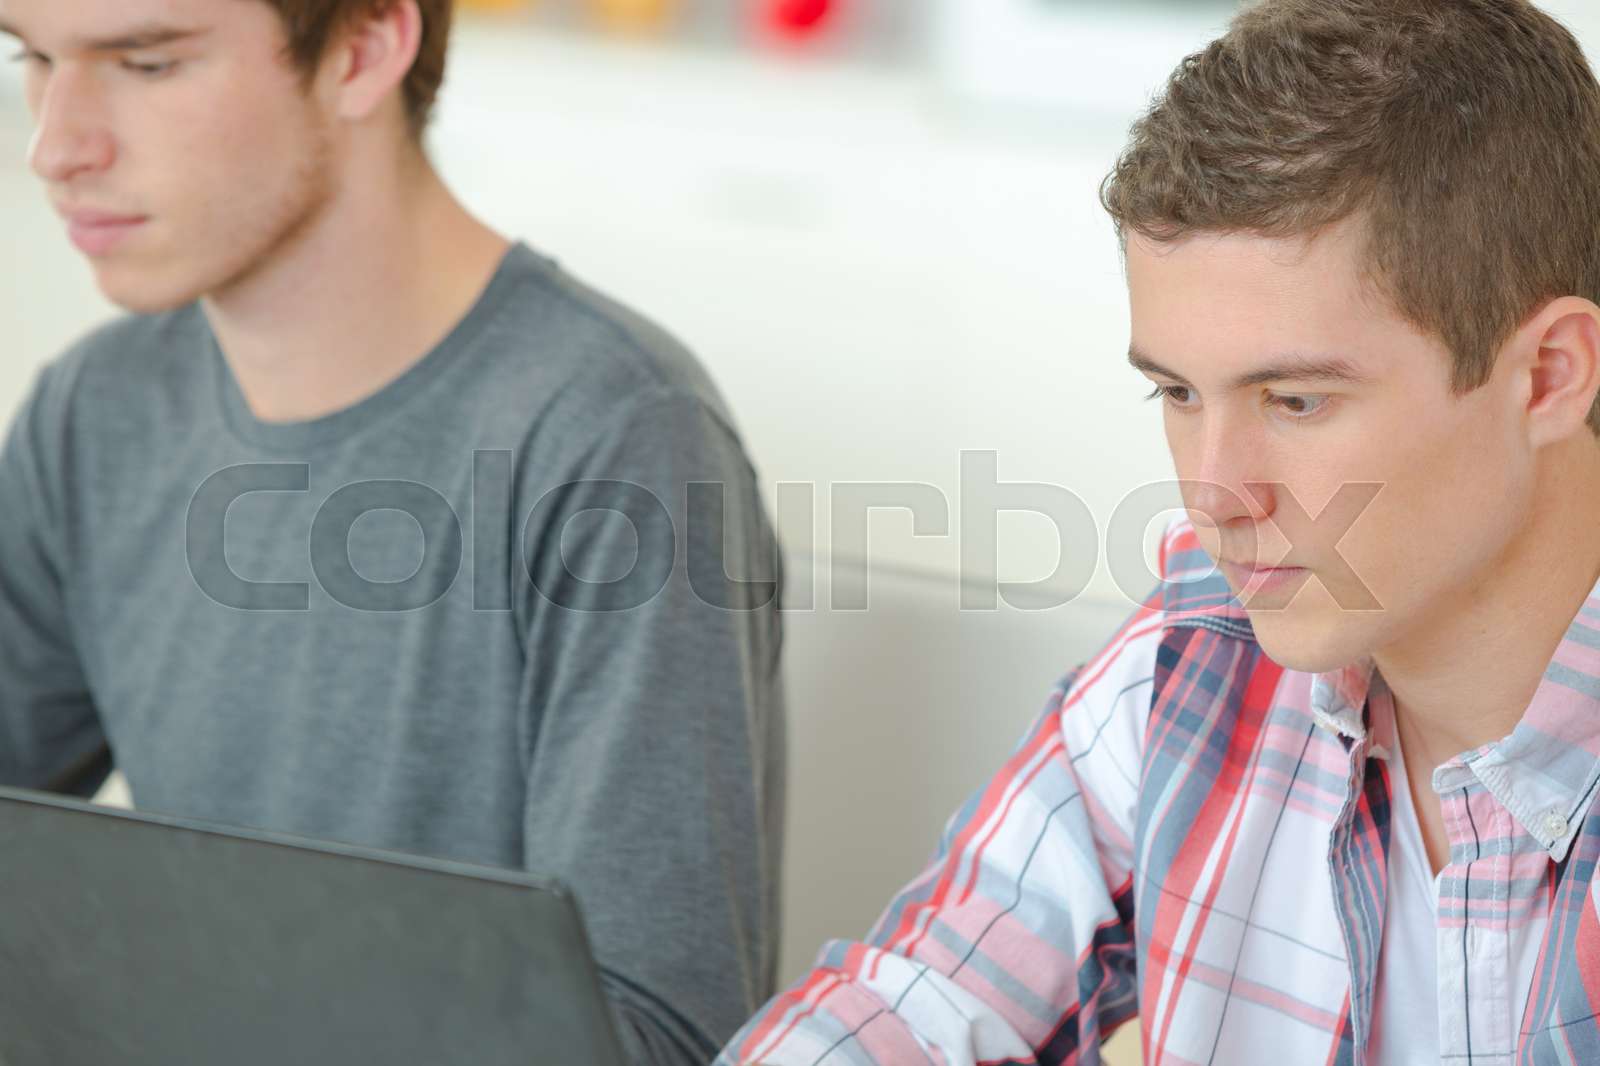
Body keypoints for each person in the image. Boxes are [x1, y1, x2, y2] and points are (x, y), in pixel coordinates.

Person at [720, 0, 1600, 1062]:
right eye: (1178, 395)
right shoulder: (1196, 658)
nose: (1214, 493)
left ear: (1548, 374)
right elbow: (912, 999)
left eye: (1294, 402)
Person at [0, 0, 785, 1062]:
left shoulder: (621, 439)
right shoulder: (94, 410)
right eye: (33, 58)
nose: (54, 144)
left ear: (364, 49)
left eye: (145, 63)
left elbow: (656, 1044)